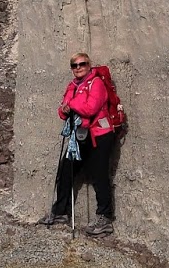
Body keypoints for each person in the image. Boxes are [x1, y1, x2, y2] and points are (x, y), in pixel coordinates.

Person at [37, 51, 116, 236]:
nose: (78, 68)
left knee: (99, 175)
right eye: (75, 65)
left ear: (89, 65)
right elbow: (62, 111)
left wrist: (71, 106)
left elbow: (90, 108)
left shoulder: (96, 83)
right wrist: (66, 110)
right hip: (79, 136)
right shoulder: (72, 86)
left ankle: (105, 218)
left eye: (82, 64)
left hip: (99, 135)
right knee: (65, 171)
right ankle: (60, 212)